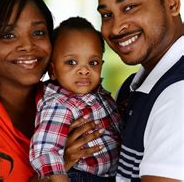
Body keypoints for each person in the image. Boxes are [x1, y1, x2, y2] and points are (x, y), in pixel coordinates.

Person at [0, 0, 104, 181]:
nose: (28, 45)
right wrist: (58, 165)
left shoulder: (74, 101)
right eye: (9, 35)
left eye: (38, 33)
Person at [97, 0, 183, 181]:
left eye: (130, 7)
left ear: (171, 3)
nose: (116, 28)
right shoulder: (132, 87)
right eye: (106, 15)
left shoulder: (179, 93)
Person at [29, 17, 121, 181]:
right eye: (71, 62)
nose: (84, 70)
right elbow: (46, 149)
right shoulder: (58, 104)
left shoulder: (100, 95)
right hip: (81, 176)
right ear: (53, 70)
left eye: (93, 62)